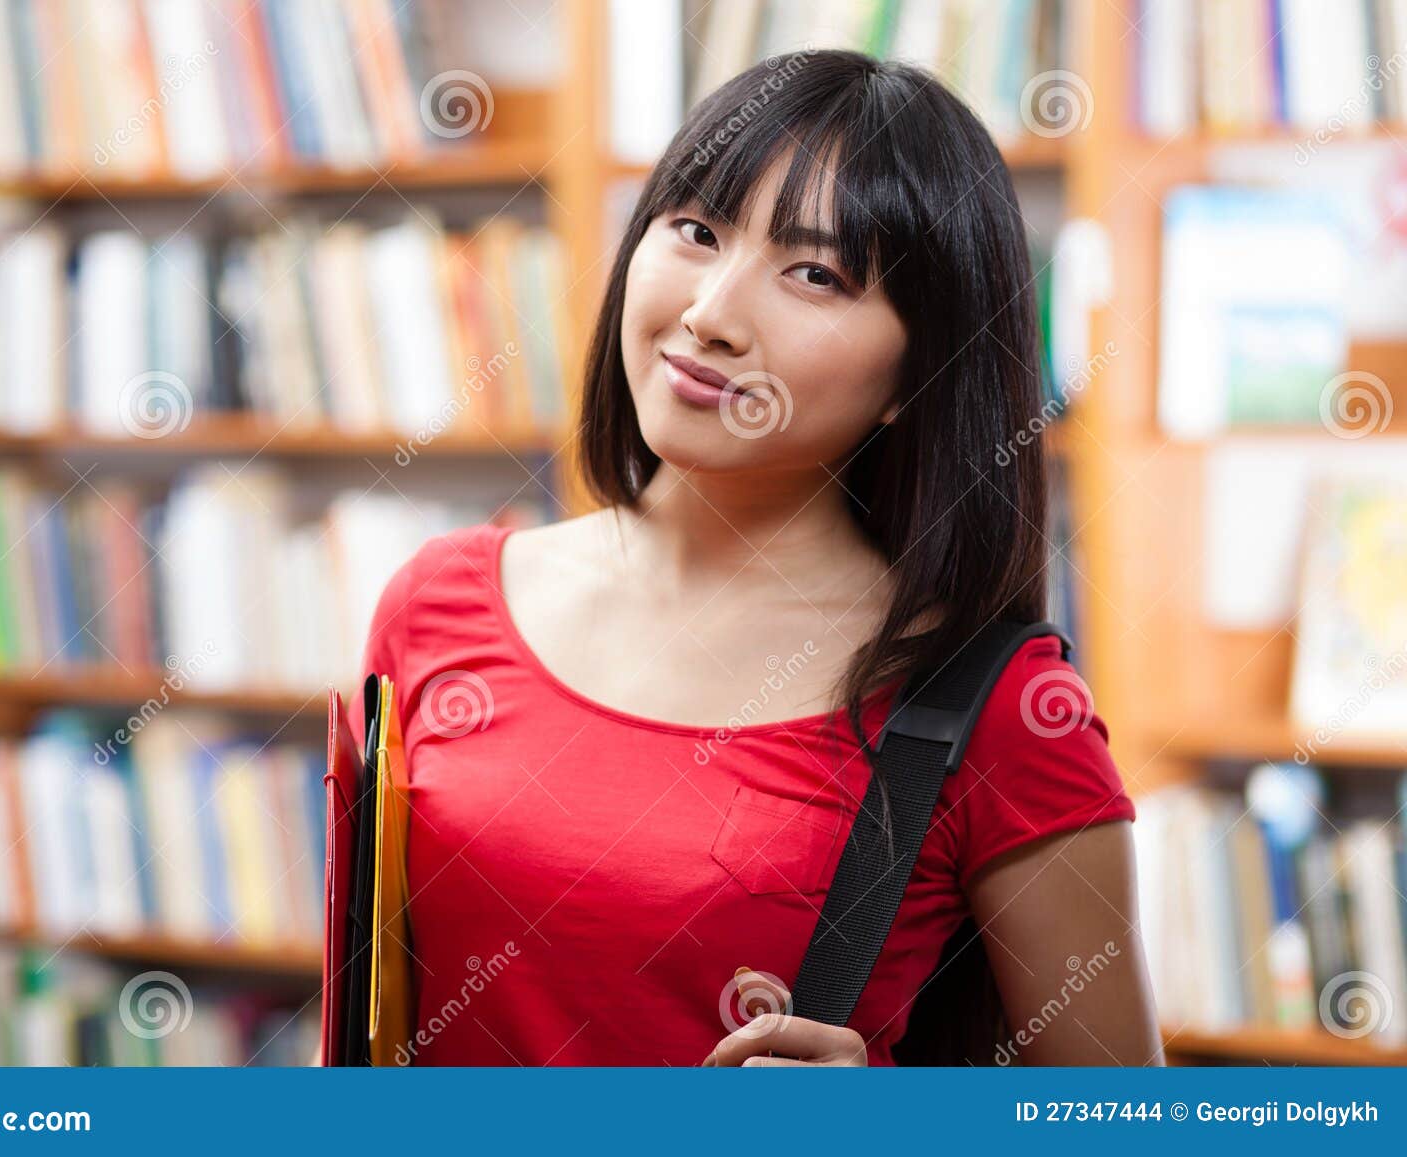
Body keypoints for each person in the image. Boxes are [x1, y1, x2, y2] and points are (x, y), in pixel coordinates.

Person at [332, 49, 1160, 1067]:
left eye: (815, 274)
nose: (710, 315)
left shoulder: (997, 706)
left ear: (919, 371)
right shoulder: (434, 602)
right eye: (695, 229)